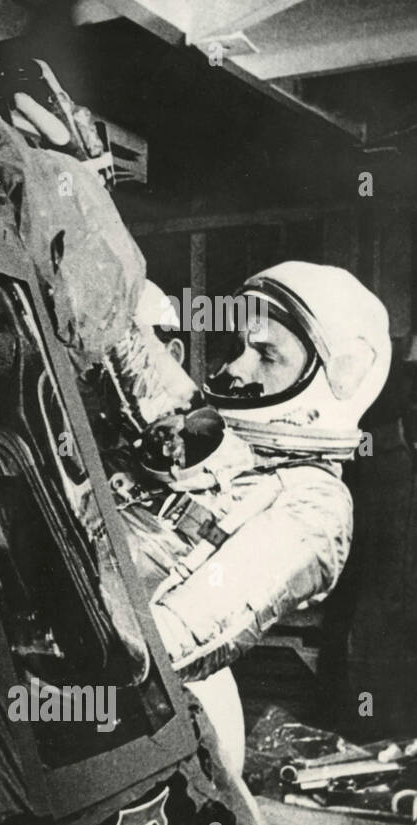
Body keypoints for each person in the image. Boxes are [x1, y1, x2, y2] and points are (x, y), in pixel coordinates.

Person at [97, 265, 391, 776]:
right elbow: (135, 369)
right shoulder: (224, 448)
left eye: (266, 355)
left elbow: (163, 646)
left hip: (146, 724)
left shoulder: (314, 506)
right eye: (238, 347)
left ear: (331, 378)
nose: (236, 368)